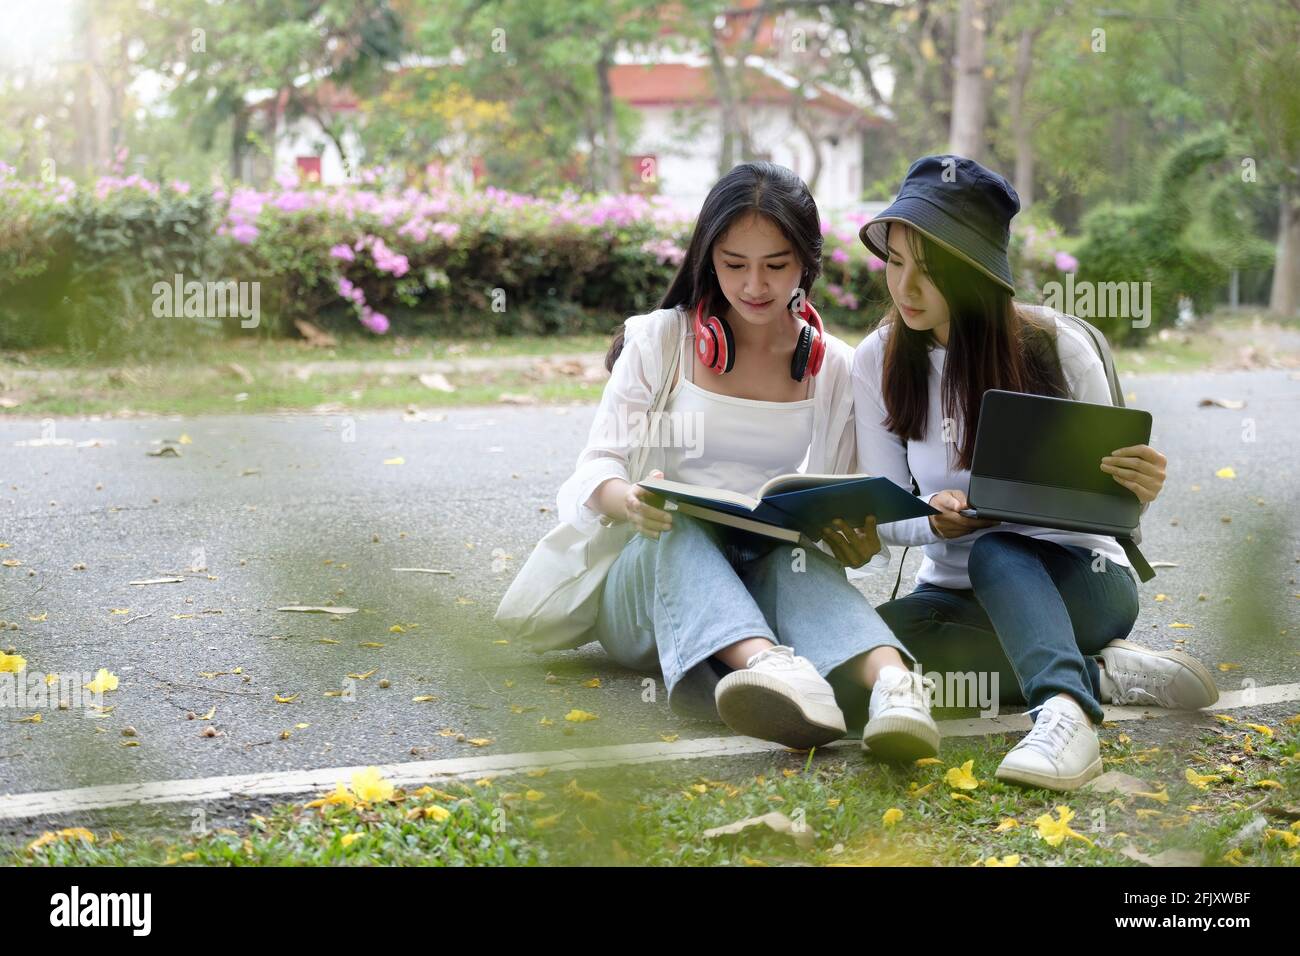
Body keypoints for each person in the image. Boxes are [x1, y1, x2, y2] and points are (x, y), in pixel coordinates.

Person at [851, 155, 1220, 791]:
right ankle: (1099, 672)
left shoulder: (1054, 345)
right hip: (952, 596)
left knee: (998, 549)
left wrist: (1139, 487)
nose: (905, 288)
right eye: (896, 261)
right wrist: (932, 523)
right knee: (861, 665)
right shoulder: (878, 359)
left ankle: (1066, 714)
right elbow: (889, 514)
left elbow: (1108, 499)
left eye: (930, 270)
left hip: (1081, 578)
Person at [554, 162, 937, 759]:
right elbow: (592, 469)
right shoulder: (660, 341)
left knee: (795, 555)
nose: (755, 285)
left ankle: (896, 687)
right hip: (649, 581)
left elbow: (836, 502)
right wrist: (630, 501)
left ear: (806, 265)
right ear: (709, 259)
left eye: (776, 265)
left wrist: (850, 540)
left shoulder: (834, 366)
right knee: (678, 521)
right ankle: (773, 674)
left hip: (759, 569)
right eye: (734, 265)